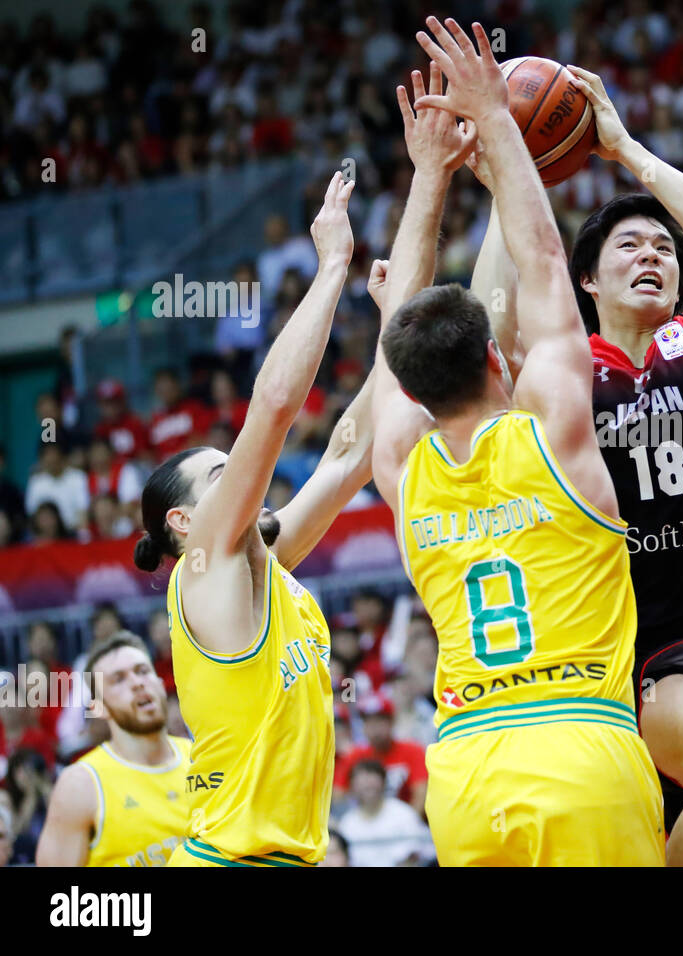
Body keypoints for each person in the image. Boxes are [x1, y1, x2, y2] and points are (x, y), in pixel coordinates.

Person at [467, 39, 683, 865]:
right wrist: (511, 165)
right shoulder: (566, 375)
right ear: (586, 283)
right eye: (629, 249)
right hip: (630, 658)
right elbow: (489, 326)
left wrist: (620, 147)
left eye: (661, 250)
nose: (652, 255)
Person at [371, 21, 663, 865]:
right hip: (581, 749)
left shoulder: (402, 466)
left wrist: (428, 176)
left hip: (463, 772)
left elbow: (399, 327)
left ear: (411, 388)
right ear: (500, 359)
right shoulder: (554, 434)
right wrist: (497, 121)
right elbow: (542, 263)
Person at [133, 173, 376, 867]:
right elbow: (271, 407)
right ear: (184, 522)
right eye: (222, 474)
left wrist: (430, 188)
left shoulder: (265, 570)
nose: (241, 476)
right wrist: (331, 268)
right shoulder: (204, 569)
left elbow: (352, 448)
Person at [36, 632, 191, 866]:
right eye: (118, 679)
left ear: (160, 683)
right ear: (99, 708)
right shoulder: (80, 784)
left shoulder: (202, 757)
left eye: (143, 671)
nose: (137, 683)